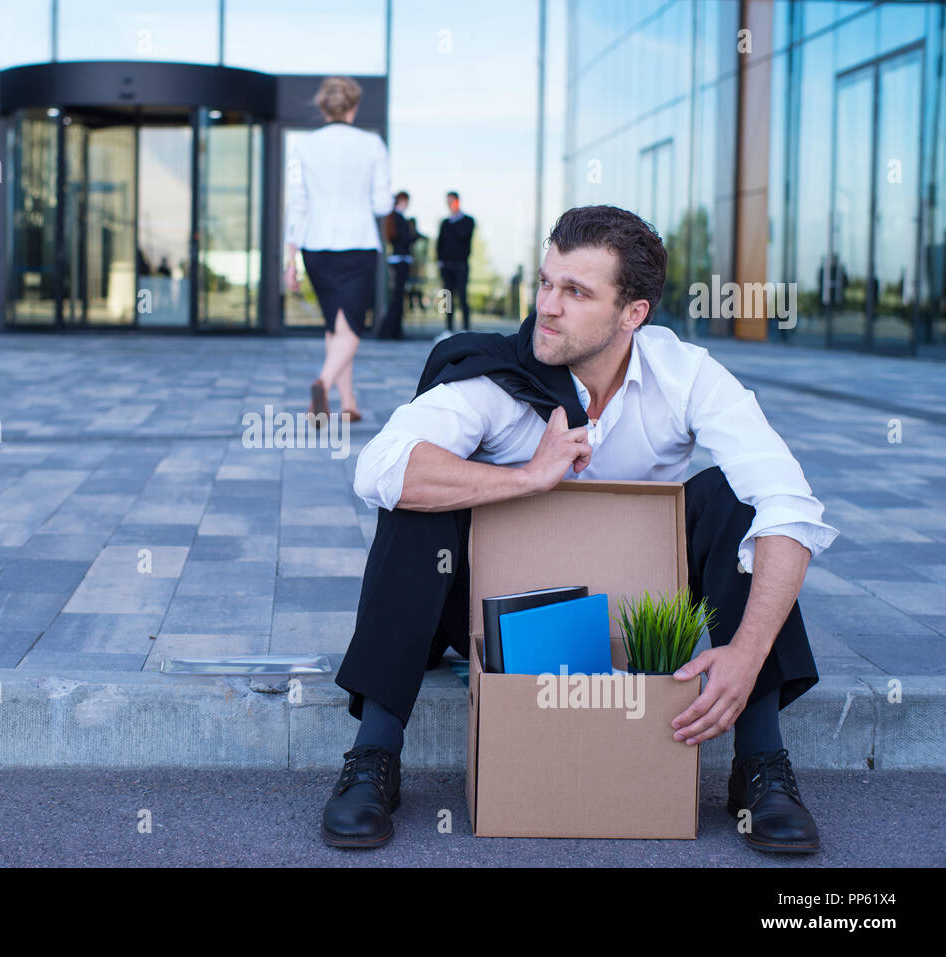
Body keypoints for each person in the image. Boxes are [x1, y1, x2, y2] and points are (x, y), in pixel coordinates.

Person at [321, 205, 839, 854]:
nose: (548, 305)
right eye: (545, 282)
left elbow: (791, 506)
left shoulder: (686, 374)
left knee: (735, 497)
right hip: (498, 609)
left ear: (634, 314)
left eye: (575, 291)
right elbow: (379, 467)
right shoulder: (496, 378)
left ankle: (760, 765)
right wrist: (527, 478)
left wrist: (746, 650)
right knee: (416, 498)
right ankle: (375, 754)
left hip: (631, 609)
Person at [285, 75, 394, 424]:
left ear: (323, 107)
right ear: (354, 106)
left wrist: (290, 259)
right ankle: (323, 382)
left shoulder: (302, 146)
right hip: (358, 244)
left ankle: (348, 402)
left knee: (336, 326)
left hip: (315, 246)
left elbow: (296, 203)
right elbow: (382, 204)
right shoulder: (372, 144)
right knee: (351, 330)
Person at [376, 191, 415, 340]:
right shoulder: (398, 218)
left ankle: (393, 330)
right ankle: (390, 331)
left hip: (398, 259)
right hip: (401, 260)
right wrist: (414, 236)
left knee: (397, 297)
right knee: (398, 298)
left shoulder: (395, 218)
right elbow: (403, 239)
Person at [436, 191, 475, 336]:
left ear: (458, 201)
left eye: (452, 201)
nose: (449, 205)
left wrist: (455, 221)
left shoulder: (468, 221)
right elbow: (440, 243)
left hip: (461, 265)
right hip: (447, 266)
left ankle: (465, 328)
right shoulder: (445, 223)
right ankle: (448, 329)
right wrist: (439, 260)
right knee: (448, 298)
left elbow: (463, 236)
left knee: (463, 296)